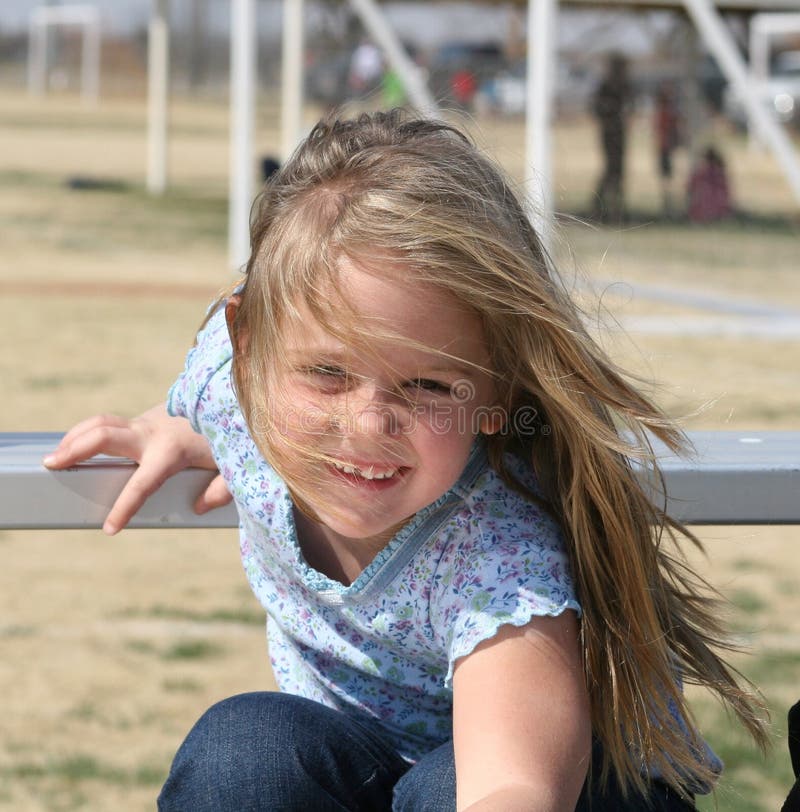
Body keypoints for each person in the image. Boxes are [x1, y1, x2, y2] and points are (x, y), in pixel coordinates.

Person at [44, 110, 768, 811]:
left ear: (497, 390)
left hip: (563, 787)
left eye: (425, 384)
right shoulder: (229, 384)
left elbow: (513, 785)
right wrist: (176, 423)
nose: (367, 424)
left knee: (447, 790)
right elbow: (224, 352)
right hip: (374, 762)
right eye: (326, 373)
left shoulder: (497, 557)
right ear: (249, 352)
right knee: (246, 752)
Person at [591, 53, 633, 222]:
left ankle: (616, 208)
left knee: (618, 171)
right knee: (611, 171)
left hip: (619, 133)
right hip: (610, 134)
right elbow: (598, 109)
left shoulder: (623, 86)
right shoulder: (607, 87)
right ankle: (601, 206)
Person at [653, 82, 683, 218]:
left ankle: (670, 205)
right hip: (665, 148)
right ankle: (668, 205)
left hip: (667, 148)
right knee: (667, 179)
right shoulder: (664, 112)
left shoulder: (665, 111)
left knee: (668, 179)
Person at [687, 147, 732, 224]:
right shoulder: (719, 173)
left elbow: (689, 188)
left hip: (701, 210)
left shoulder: (700, 172)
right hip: (719, 210)